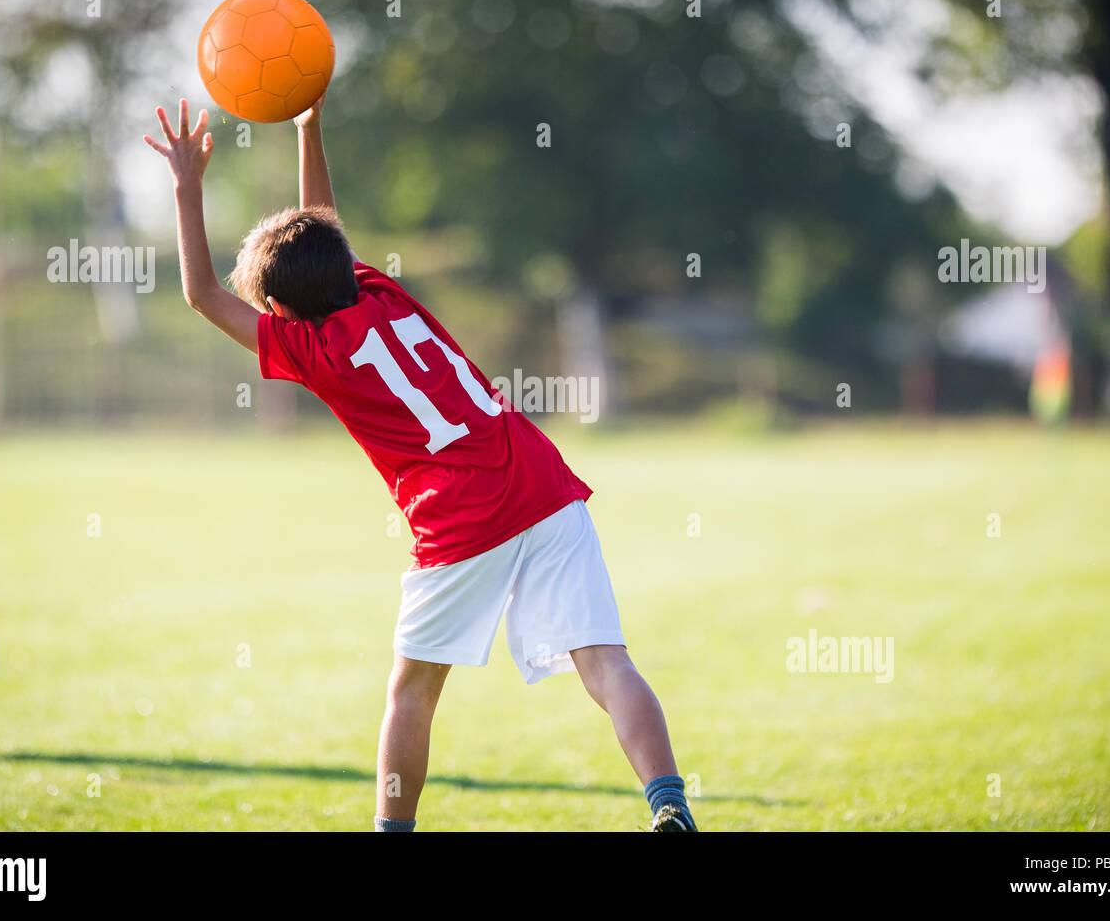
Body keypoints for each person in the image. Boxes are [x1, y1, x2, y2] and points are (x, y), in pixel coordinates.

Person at [144, 97, 696, 832]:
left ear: (280, 308)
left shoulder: (314, 351)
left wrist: (186, 187)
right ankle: (668, 805)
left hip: (461, 518)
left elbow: (203, 294)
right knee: (605, 662)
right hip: (538, 479)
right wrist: (311, 128)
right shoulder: (380, 289)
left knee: (411, 693)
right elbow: (325, 225)